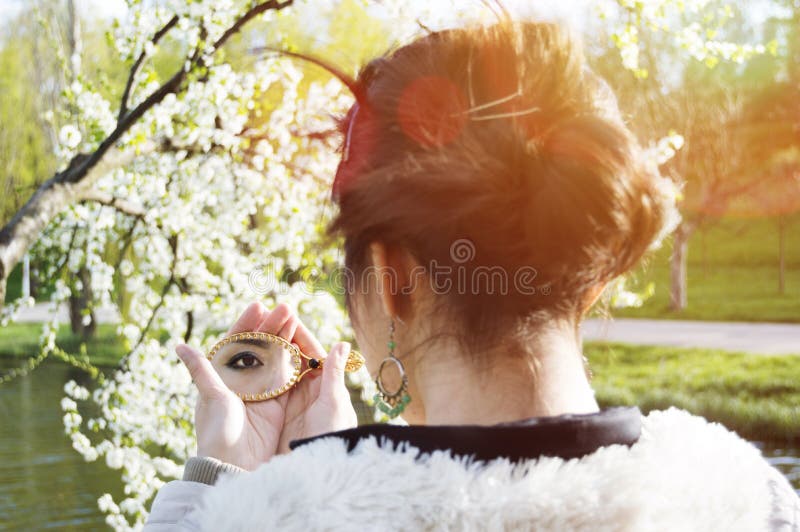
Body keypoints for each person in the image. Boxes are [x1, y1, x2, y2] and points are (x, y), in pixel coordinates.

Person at [143, 20, 800, 531]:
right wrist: (332, 460)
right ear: (595, 279)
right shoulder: (742, 497)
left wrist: (228, 483)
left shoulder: (275, 521)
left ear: (391, 274)